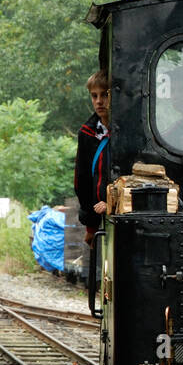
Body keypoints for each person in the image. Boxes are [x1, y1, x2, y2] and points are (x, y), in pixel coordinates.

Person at [75, 71, 110, 244]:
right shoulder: (87, 134)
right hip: (97, 217)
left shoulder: (127, 134)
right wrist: (90, 225)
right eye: (94, 96)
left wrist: (112, 202)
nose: (99, 101)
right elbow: (82, 181)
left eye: (105, 95)